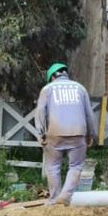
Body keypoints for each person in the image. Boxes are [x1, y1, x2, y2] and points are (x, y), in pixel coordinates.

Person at [34, 62, 97, 205]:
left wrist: (40, 133)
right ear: (65, 74)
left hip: (54, 133)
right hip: (78, 133)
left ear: (52, 77)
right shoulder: (80, 88)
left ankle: (54, 199)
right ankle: (65, 197)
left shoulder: (47, 89)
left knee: (53, 166)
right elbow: (89, 114)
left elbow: (40, 112)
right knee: (75, 166)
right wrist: (91, 134)